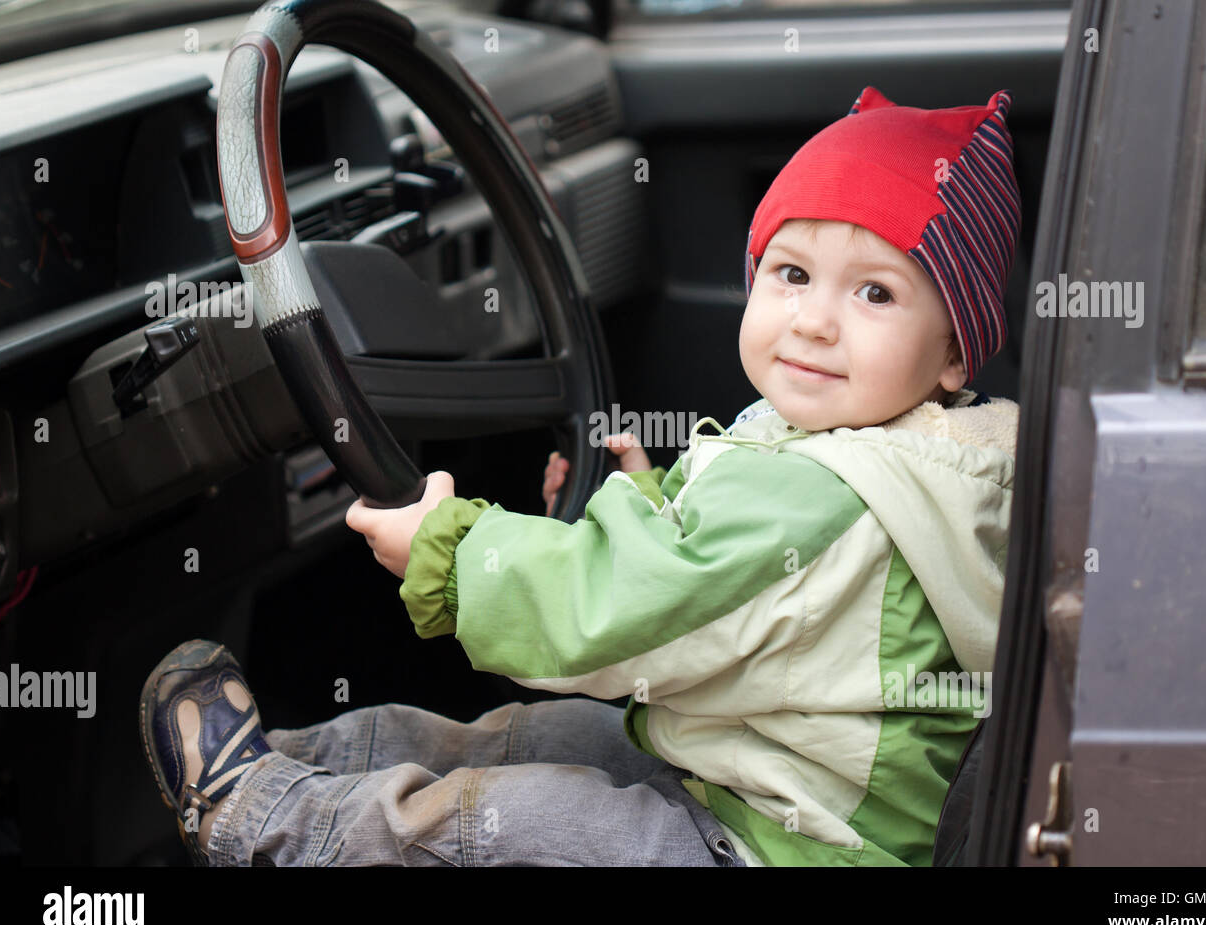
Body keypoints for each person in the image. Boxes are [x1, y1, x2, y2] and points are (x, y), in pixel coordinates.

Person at [140, 86, 1022, 867]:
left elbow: (616, 609)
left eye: (875, 293)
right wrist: (650, 496)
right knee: (531, 737)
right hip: (756, 769)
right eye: (792, 274)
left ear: (953, 350)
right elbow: (730, 595)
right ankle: (289, 764)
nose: (818, 322)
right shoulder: (903, 448)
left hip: (785, 845)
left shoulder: (831, 493)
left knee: (510, 812)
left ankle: (259, 821)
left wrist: (449, 551)